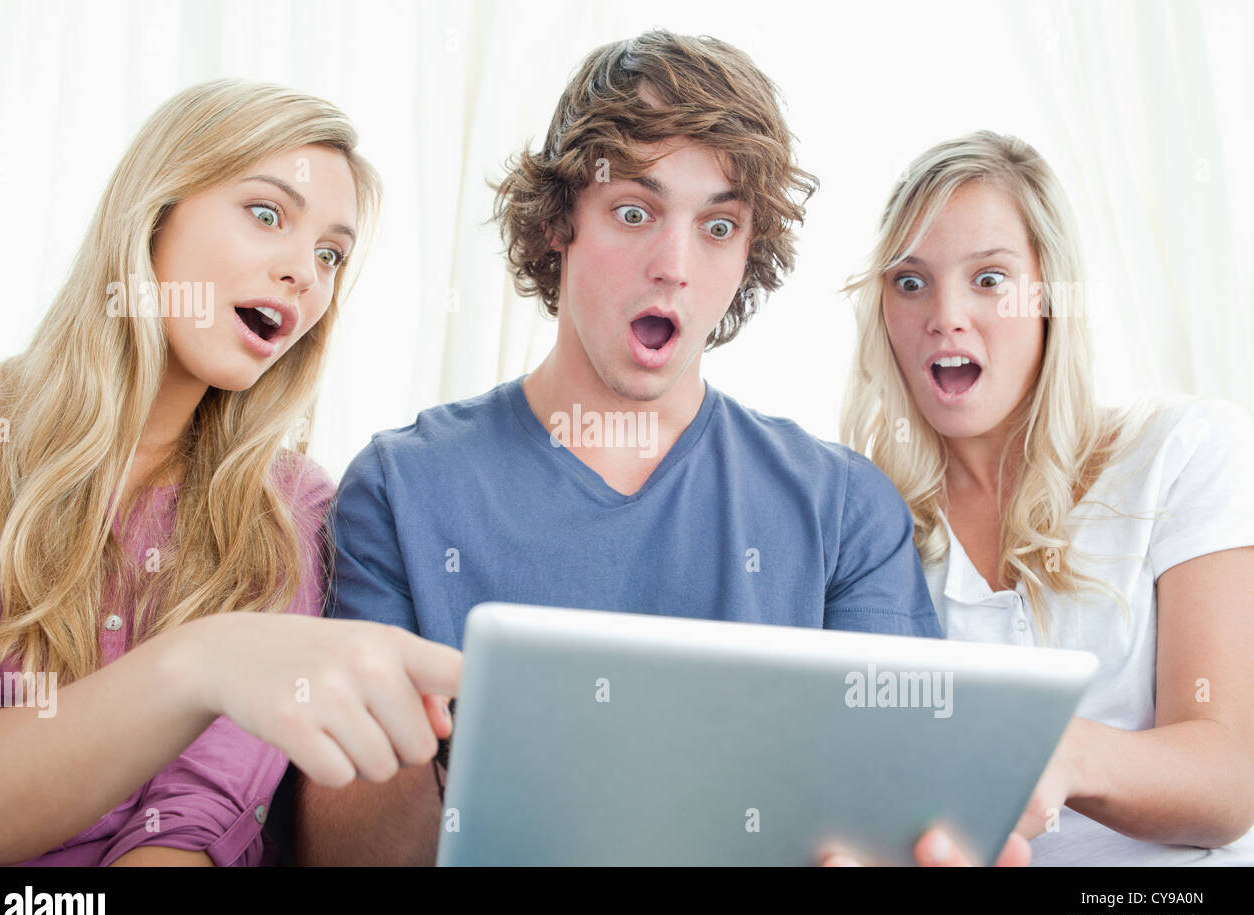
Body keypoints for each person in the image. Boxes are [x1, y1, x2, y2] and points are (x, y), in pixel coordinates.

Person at [297, 30, 948, 867]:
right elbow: (347, 855)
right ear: (559, 221)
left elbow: (898, 810)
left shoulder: (844, 510)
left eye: (718, 226)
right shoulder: (399, 488)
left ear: (750, 254)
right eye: (634, 212)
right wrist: (408, 745)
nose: (673, 265)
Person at [0, 79, 460, 867]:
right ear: (153, 212)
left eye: (331, 254)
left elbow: (193, 824)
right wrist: (200, 666)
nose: (305, 273)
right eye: (268, 215)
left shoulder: (289, 510)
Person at [838, 130, 1254, 865]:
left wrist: (1060, 756)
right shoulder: (867, 532)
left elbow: (1228, 781)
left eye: (989, 278)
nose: (945, 314)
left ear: (1050, 296)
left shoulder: (1184, 452)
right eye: (911, 282)